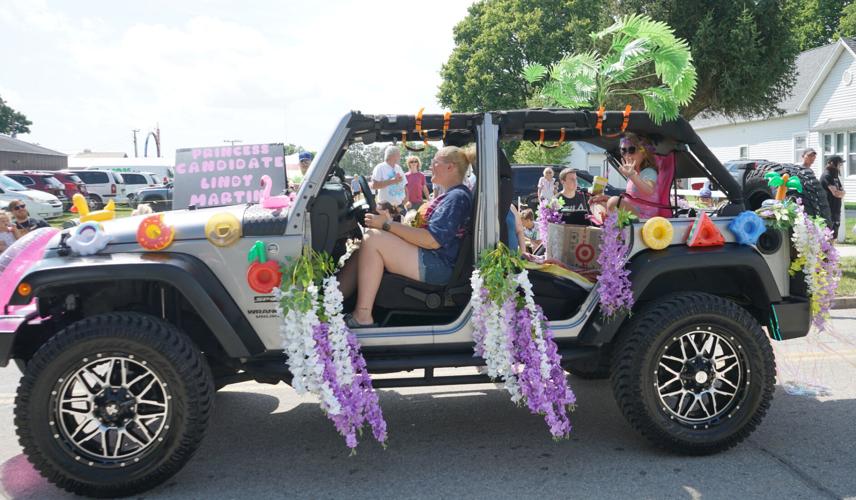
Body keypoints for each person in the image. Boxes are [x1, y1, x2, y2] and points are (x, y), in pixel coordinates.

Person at [339, 145, 475, 327]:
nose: (430, 166)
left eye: (435, 162)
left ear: (450, 167)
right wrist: (389, 224)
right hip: (433, 258)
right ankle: (327, 306)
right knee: (360, 253)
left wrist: (387, 225)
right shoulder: (450, 195)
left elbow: (432, 240)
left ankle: (362, 316)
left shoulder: (457, 197)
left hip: (439, 265)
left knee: (372, 239)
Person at [591, 133, 660, 219]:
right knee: (596, 202)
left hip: (646, 217)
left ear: (644, 153)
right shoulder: (633, 174)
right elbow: (629, 201)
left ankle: (608, 220)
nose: (627, 155)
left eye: (631, 150)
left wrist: (632, 175)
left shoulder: (649, 171)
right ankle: (606, 218)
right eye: (623, 150)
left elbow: (649, 190)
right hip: (632, 213)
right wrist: (606, 198)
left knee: (614, 201)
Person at [820, 155, 845, 239]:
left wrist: (841, 193)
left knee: (834, 235)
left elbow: (842, 191)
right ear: (831, 163)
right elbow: (836, 193)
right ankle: (826, 252)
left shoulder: (835, 176)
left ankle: (831, 252)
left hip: (836, 209)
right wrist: (841, 193)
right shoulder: (827, 176)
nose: (840, 166)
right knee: (827, 235)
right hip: (828, 210)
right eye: (839, 164)